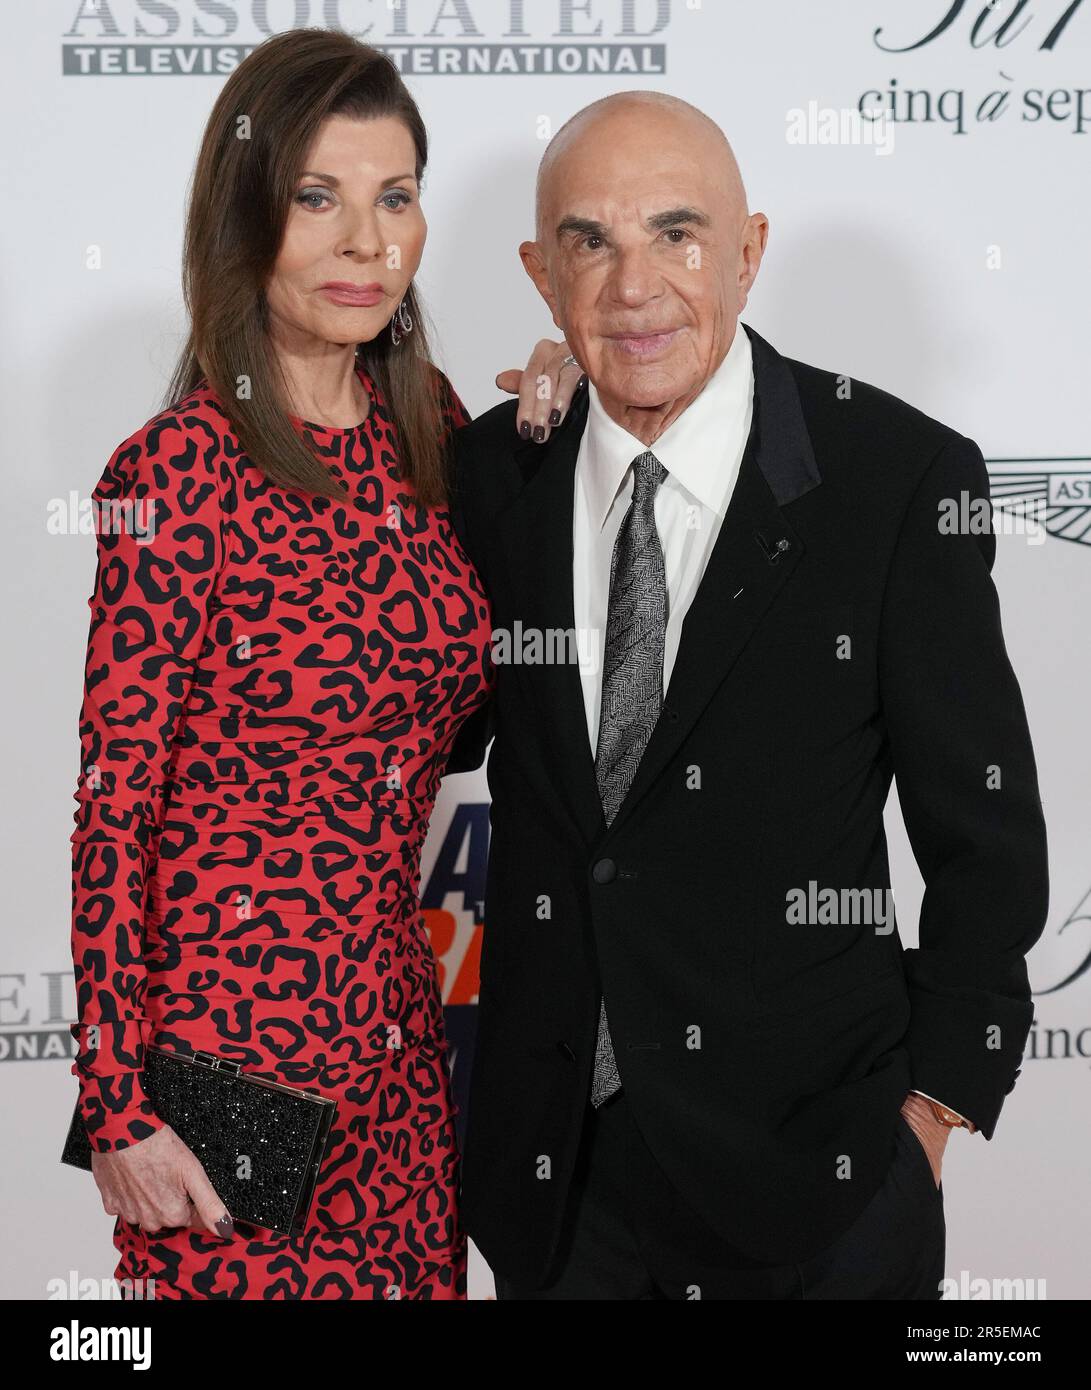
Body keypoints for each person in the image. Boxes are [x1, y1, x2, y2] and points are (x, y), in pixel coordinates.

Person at [448, 91, 1049, 1299]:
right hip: (558, 1195)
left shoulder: (891, 478)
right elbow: (435, 727)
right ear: (537, 270)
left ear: (748, 253)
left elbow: (984, 841)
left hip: (819, 1190)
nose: (632, 287)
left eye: (676, 234)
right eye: (588, 241)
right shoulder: (490, 471)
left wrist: (927, 1118)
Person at [68, 29, 577, 1301]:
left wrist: (556, 438)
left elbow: (473, 708)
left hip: (399, 1059)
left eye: (394, 196)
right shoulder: (181, 469)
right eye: (317, 197)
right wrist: (119, 1104)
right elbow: (113, 803)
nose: (368, 240)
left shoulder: (430, 431)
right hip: (222, 1075)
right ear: (244, 218)